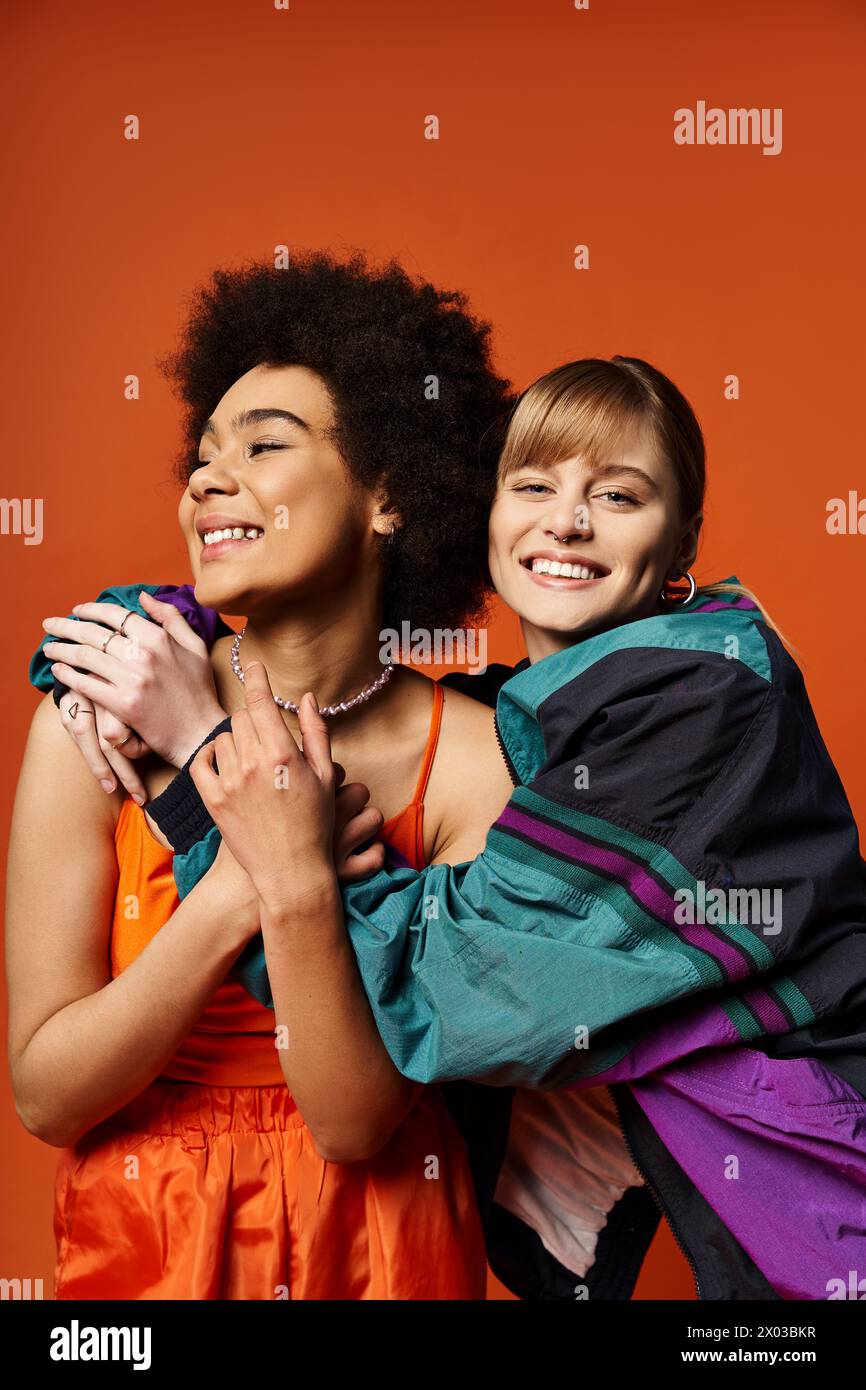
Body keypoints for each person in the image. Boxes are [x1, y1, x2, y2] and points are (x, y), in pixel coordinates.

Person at [32, 355, 866, 1301]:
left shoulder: (683, 712)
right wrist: (128, 636)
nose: (567, 519)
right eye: (532, 485)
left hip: (814, 1193)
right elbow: (42, 1090)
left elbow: (438, 1001)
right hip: (138, 1260)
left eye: (620, 495)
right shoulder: (535, 721)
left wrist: (210, 790)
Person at [9, 249, 520, 1300]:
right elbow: (45, 1094)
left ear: (388, 492)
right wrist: (247, 876)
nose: (205, 478)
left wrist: (296, 881)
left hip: (386, 1249)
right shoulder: (101, 712)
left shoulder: (472, 767)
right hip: (143, 1260)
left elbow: (355, 1116)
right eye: (201, 455)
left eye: (264, 444)